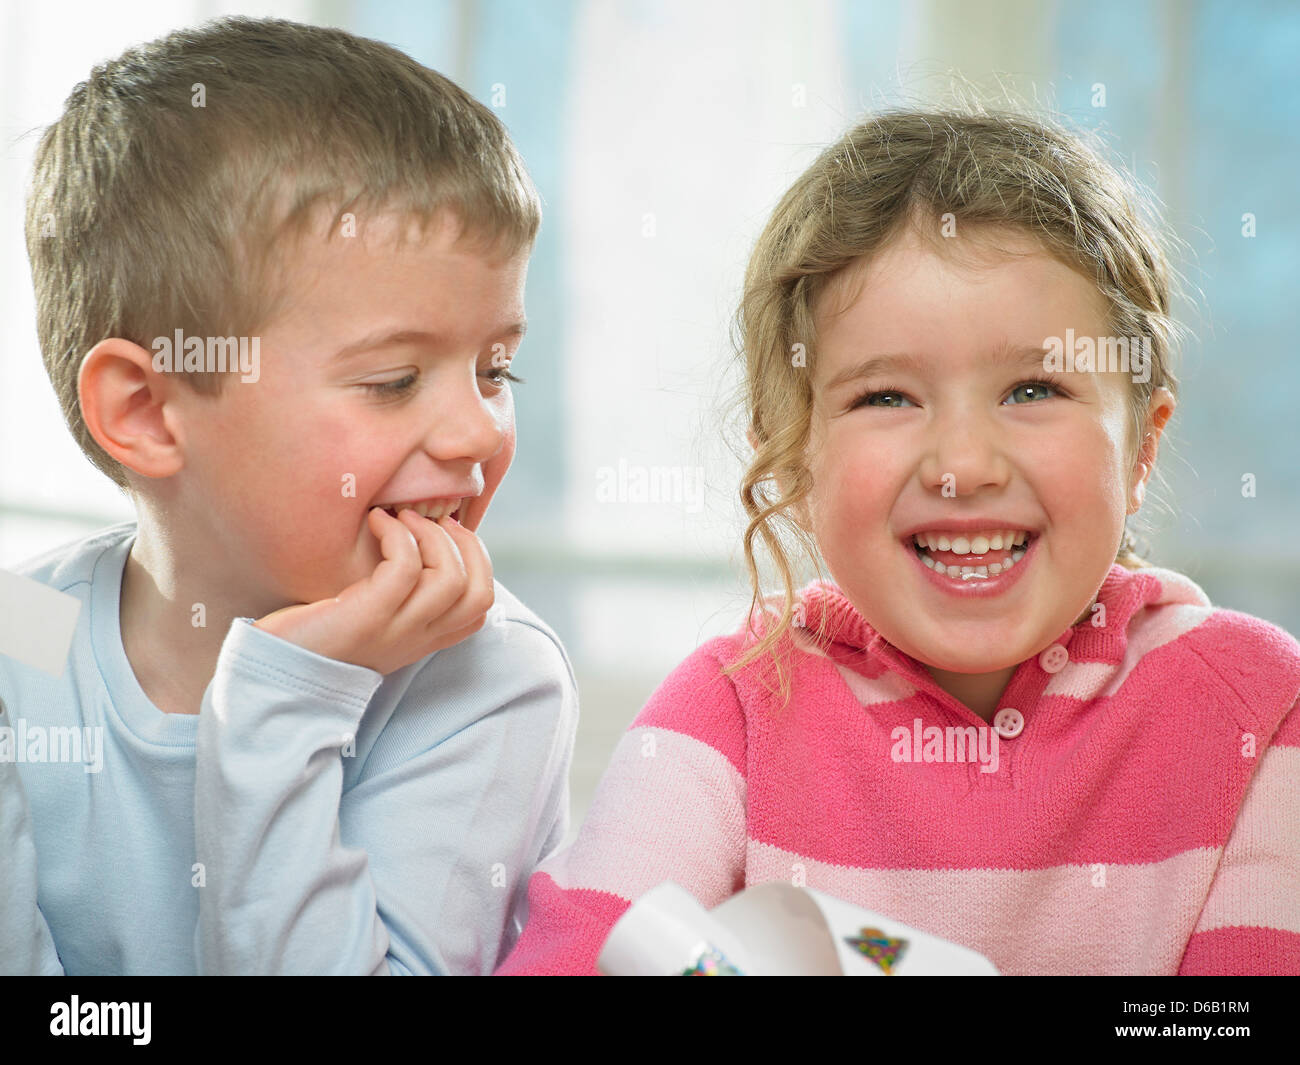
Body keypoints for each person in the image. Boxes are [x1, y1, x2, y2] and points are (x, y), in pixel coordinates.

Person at [496, 105, 1300, 976]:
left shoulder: (1255, 711)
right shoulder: (732, 710)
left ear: (1142, 444)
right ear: (796, 458)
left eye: (1033, 390)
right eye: (885, 398)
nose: (962, 464)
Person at [0, 16, 577, 975]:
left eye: (495, 370)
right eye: (395, 380)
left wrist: (284, 708)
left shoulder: (487, 678)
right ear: (145, 409)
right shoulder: (19, 632)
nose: (479, 430)